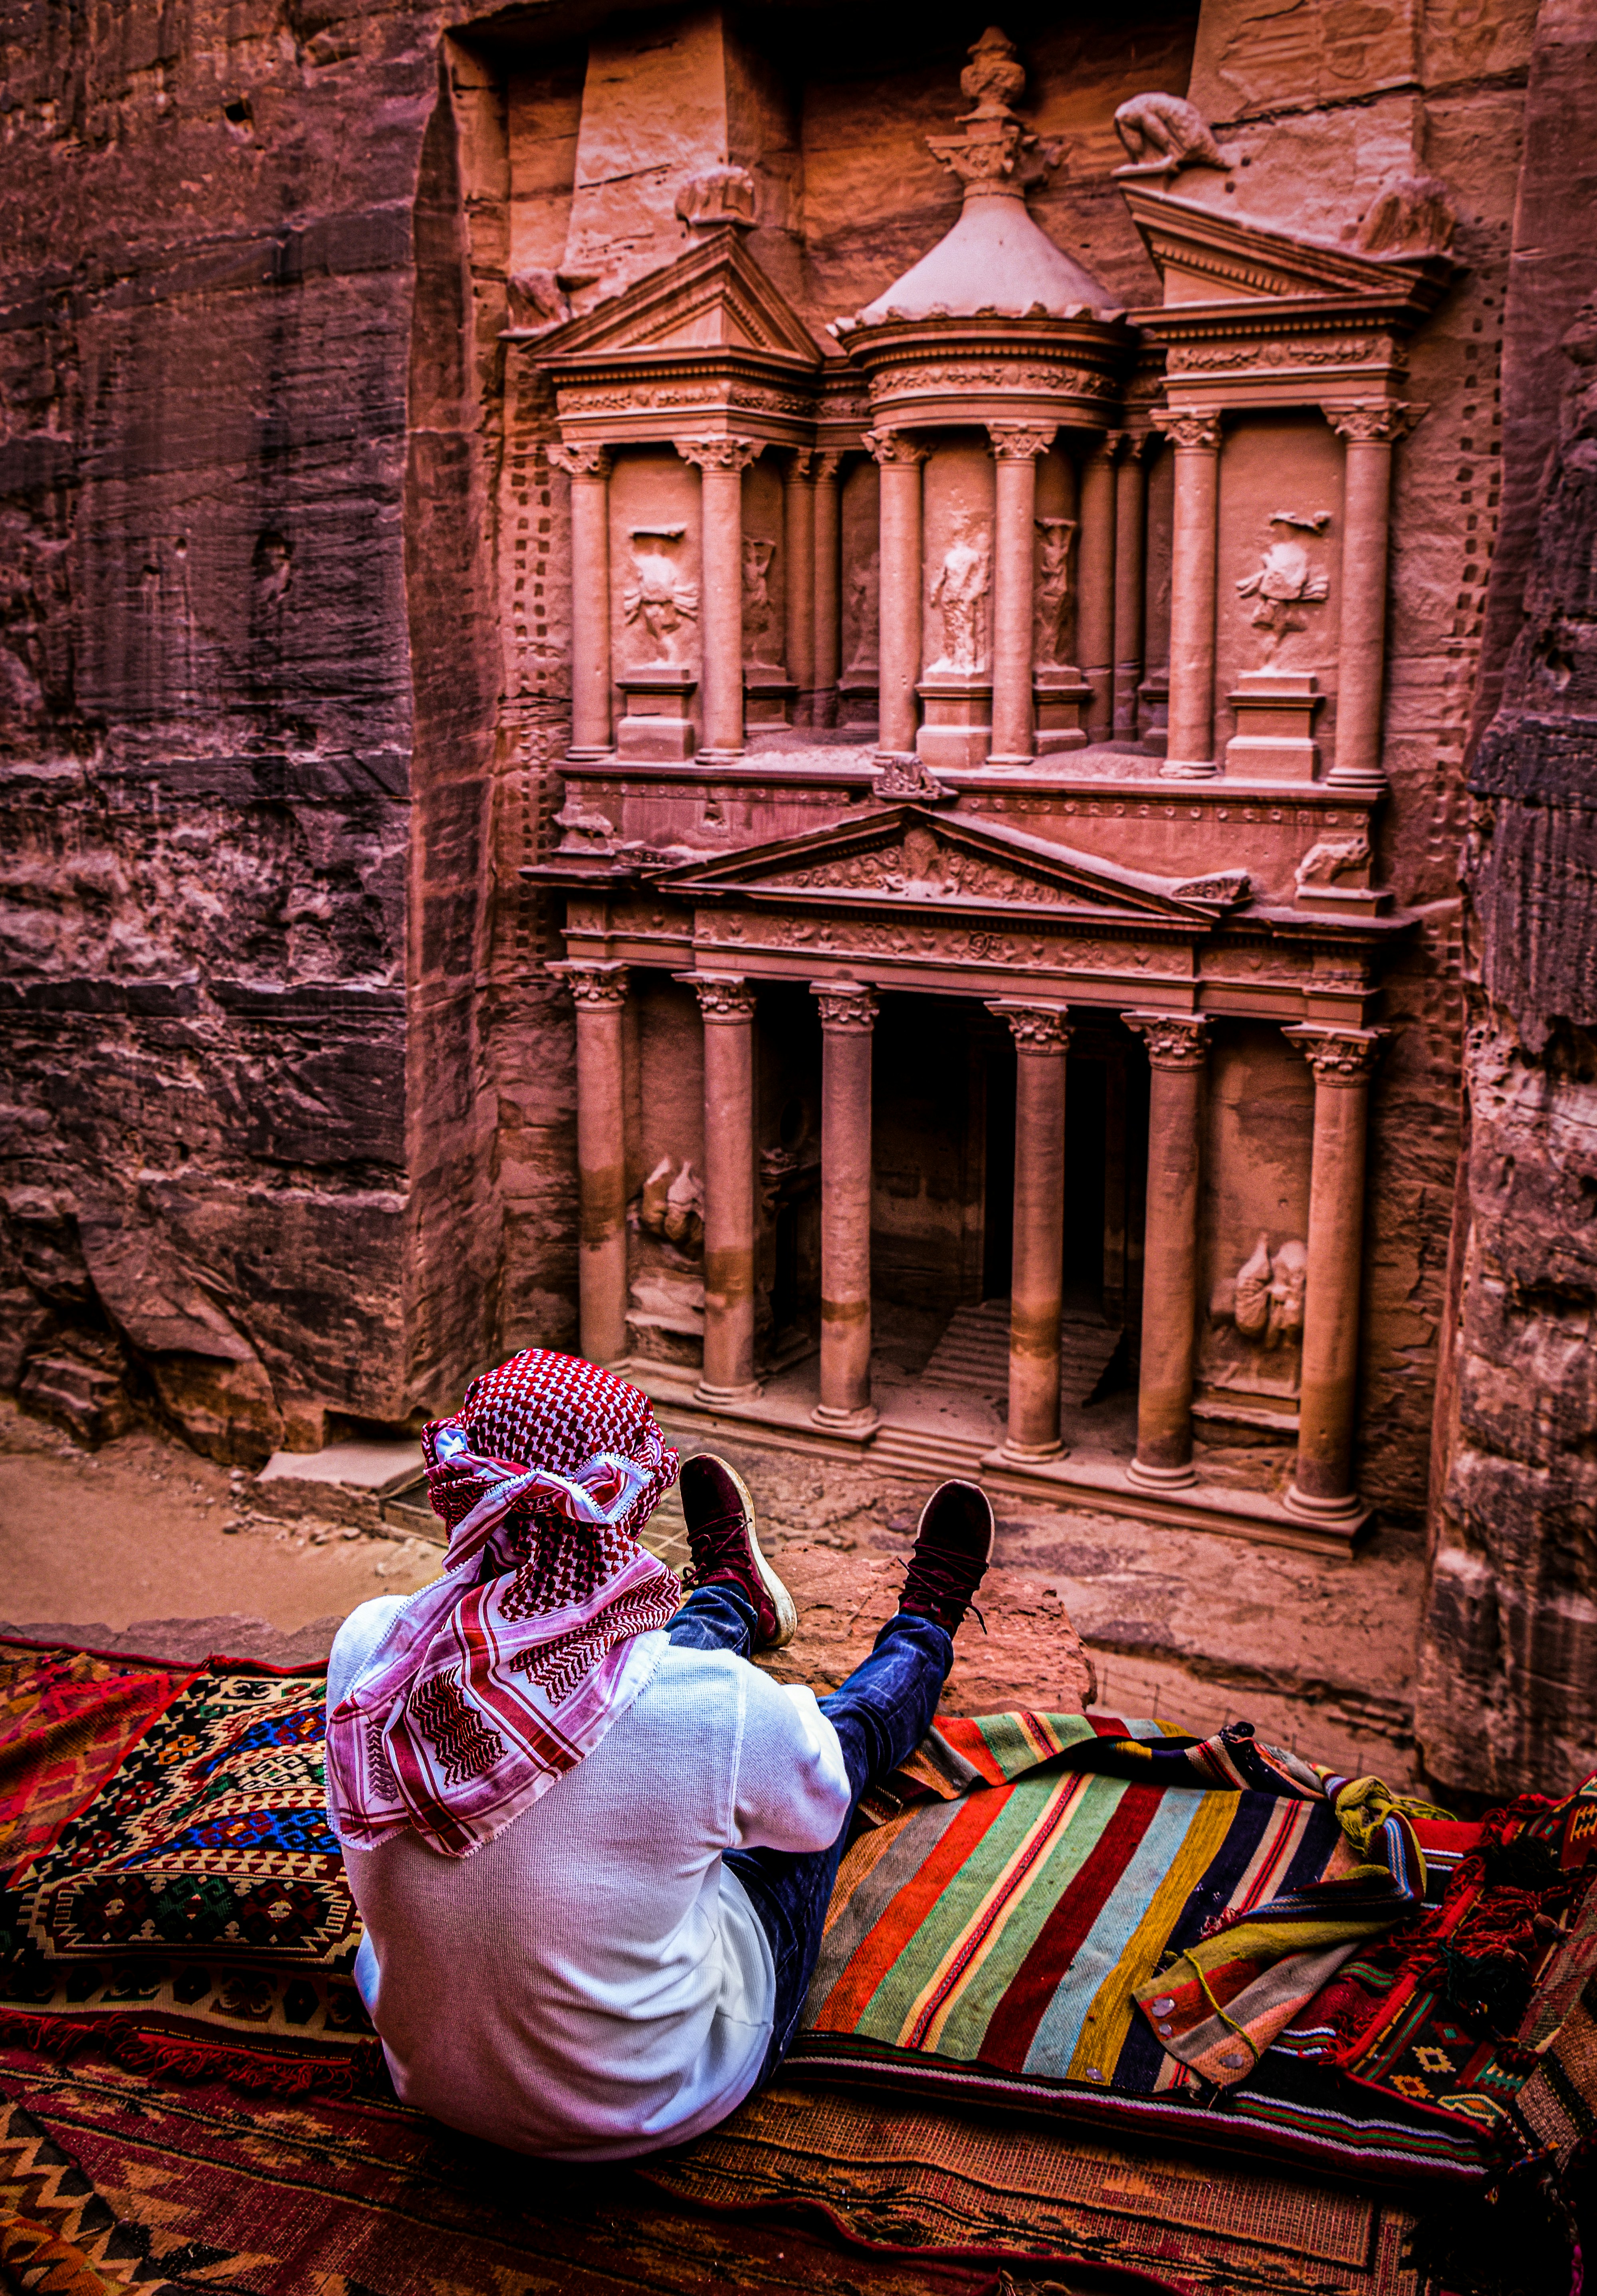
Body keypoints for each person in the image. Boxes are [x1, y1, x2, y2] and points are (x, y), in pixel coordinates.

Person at [324, 1346, 993, 2161]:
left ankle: (728, 1592)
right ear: (625, 1506)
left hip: (432, 2078)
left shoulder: (373, 1645)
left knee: (650, 1703)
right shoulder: (705, 1702)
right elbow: (812, 1814)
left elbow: (605, 1686)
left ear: (463, 1487)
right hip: (650, 2099)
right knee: (839, 1746)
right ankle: (924, 1628)